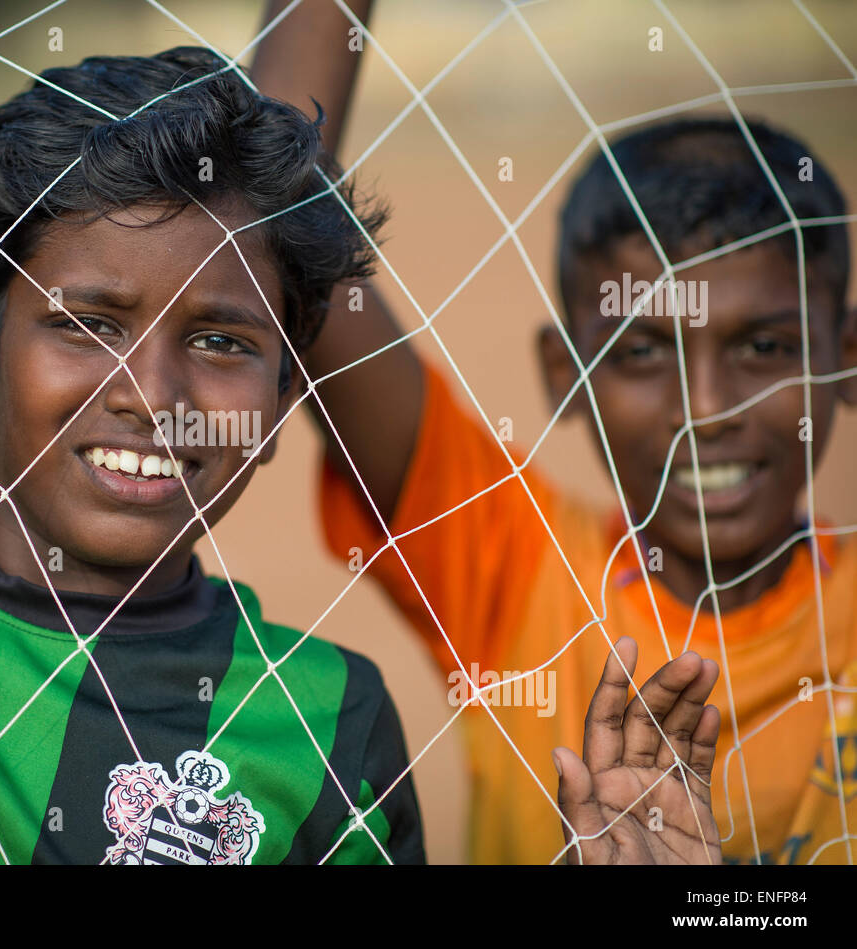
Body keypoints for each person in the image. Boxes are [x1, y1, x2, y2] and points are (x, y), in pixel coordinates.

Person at [0, 0, 720, 865]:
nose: (150, 390)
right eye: (86, 323)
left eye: (218, 342)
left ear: (284, 397)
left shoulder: (326, 725)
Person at [253, 1, 857, 865]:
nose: (706, 406)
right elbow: (277, 209)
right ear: (563, 373)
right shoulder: (512, 564)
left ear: (846, 353)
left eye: (764, 345)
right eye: (644, 350)